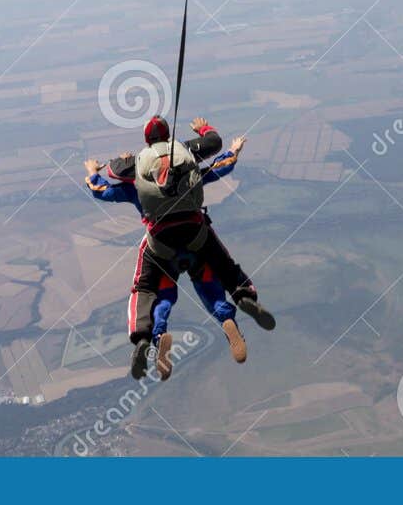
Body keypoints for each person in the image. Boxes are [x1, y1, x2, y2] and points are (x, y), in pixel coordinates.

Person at [85, 116, 275, 379]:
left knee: (149, 289)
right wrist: (230, 146)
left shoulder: (136, 180)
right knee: (218, 270)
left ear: (146, 142)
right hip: (196, 236)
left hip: (161, 245)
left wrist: (93, 171)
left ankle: (149, 336)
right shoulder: (187, 166)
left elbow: (100, 190)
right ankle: (236, 306)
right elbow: (221, 166)